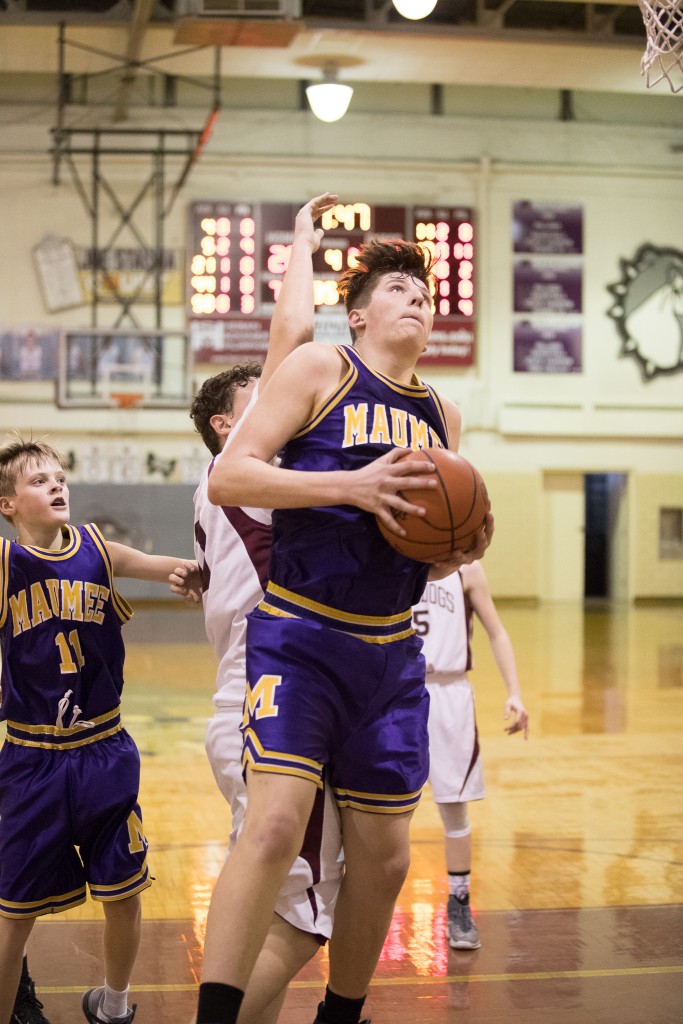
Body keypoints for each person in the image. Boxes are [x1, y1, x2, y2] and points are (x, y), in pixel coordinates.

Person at [195, 219, 493, 1024]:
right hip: (301, 636)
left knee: (387, 861)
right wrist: (351, 486)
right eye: (397, 289)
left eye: (426, 295)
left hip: (391, 652)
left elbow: (421, 552)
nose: (417, 302)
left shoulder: (442, 413)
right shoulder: (321, 367)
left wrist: (451, 550)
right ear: (356, 314)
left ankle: (341, 1015)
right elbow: (232, 478)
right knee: (275, 824)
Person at [176, 194, 345, 1024]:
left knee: (282, 907)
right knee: (306, 920)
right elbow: (294, 341)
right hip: (270, 703)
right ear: (223, 424)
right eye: (261, 393)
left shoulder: (229, 490)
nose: (285, 398)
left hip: (260, 697)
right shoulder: (236, 469)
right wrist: (303, 241)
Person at [0, 436, 201, 1024]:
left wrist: (196, 575)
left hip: (104, 750)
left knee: (126, 893)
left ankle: (113, 1006)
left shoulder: (96, 549)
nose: (56, 485)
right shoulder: (8, 562)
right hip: (34, 757)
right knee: (14, 914)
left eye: (59, 477)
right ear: (7, 503)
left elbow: (168, 568)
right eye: (38, 481)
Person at [413, 562, 529, 951]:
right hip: (397, 691)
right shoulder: (395, 556)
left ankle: (459, 902)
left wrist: (514, 691)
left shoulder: (469, 571)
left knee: (455, 807)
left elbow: (496, 632)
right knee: (378, 809)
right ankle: (354, 902)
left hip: (450, 693)